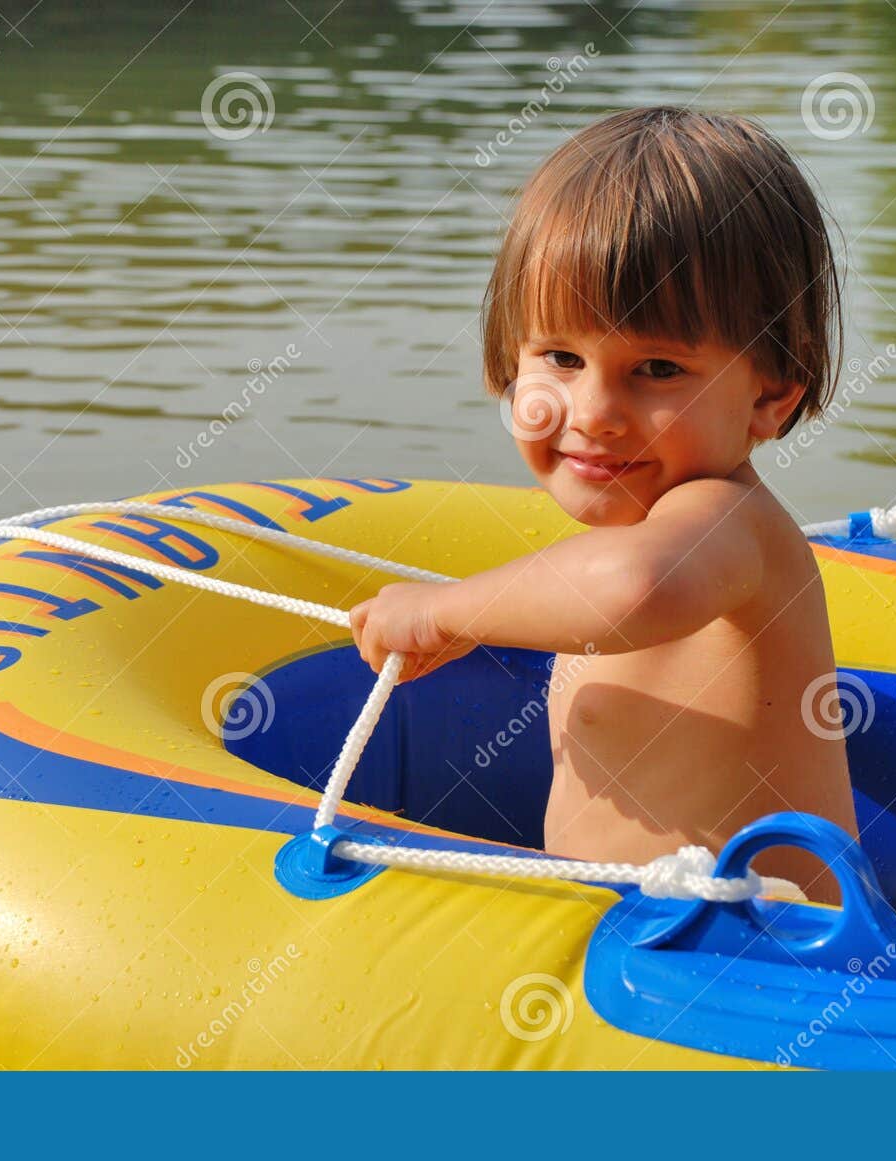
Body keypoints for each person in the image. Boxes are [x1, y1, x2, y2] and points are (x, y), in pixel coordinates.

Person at [348, 107, 858, 903]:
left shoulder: (731, 522)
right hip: (633, 943)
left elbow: (635, 589)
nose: (592, 411)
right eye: (560, 356)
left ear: (770, 395)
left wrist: (445, 612)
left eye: (656, 368)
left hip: (754, 962)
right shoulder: (650, 526)